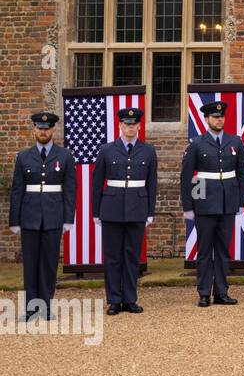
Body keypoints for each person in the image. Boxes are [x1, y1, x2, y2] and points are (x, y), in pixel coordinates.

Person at [8, 112, 77, 320]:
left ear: (53, 130)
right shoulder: (23, 156)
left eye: (46, 128)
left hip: (54, 216)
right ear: (33, 130)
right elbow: (17, 190)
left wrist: (68, 218)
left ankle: (46, 306)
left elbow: (70, 189)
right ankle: (30, 307)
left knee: (48, 262)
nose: (43, 131)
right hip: (29, 216)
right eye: (39, 128)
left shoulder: (65, 156)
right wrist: (15, 220)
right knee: (30, 262)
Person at [181, 100, 244, 307]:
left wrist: (240, 201)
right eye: (214, 117)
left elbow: (242, 174)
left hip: (228, 202)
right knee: (204, 250)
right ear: (206, 119)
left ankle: (221, 292)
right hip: (204, 203)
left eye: (221, 117)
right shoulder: (196, 144)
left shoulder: (235, 142)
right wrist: (189, 206)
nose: (219, 120)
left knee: (222, 251)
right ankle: (203, 292)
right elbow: (188, 177)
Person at [91, 107, 157, 315]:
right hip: (111, 209)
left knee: (132, 256)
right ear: (120, 126)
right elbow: (97, 183)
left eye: (134, 124)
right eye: (127, 124)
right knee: (112, 257)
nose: (130, 127)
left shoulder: (148, 151)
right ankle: (114, 300)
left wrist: (150, 211)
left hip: (137, 208)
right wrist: (95, 212)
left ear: (139, 126)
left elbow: (152, 184)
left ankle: (130, 299)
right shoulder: (106, 150)